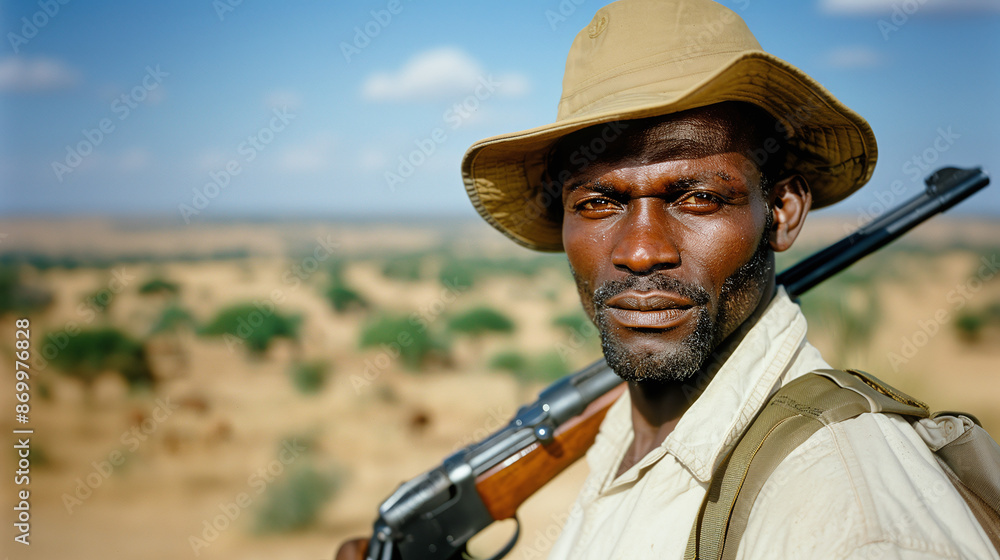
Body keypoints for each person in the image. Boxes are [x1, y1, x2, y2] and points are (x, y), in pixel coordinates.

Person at [460, 0, 998, 558]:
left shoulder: (846, 514)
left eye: (699, 199)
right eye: (598, 202)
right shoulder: (630, 425)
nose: (642, 252)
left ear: (782, 211)